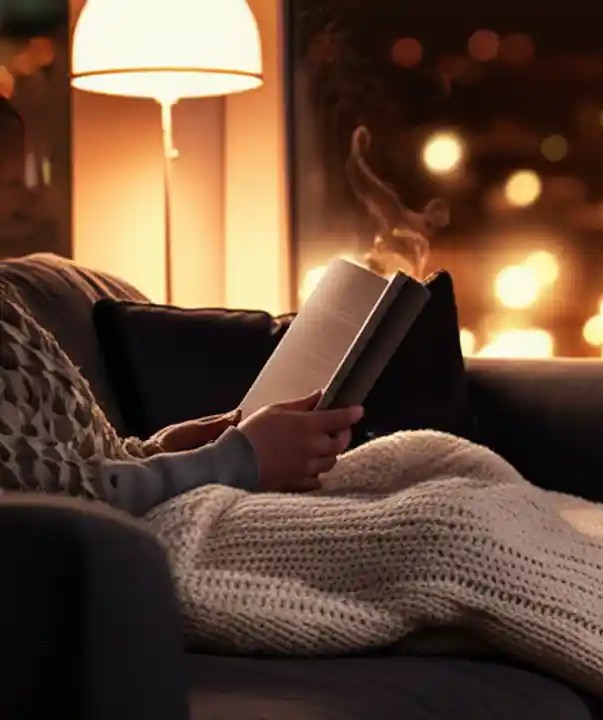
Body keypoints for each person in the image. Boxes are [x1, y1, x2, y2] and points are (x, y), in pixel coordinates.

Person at [0, 96, 364, 515]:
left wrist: (171, 445)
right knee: (427, 523)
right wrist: (240, 459)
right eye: (10, 182)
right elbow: (50, 502)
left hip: (167, 505)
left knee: (429, 462)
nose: (24, 196)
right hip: (145, 537)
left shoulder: (10, 308)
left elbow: (76, 463)